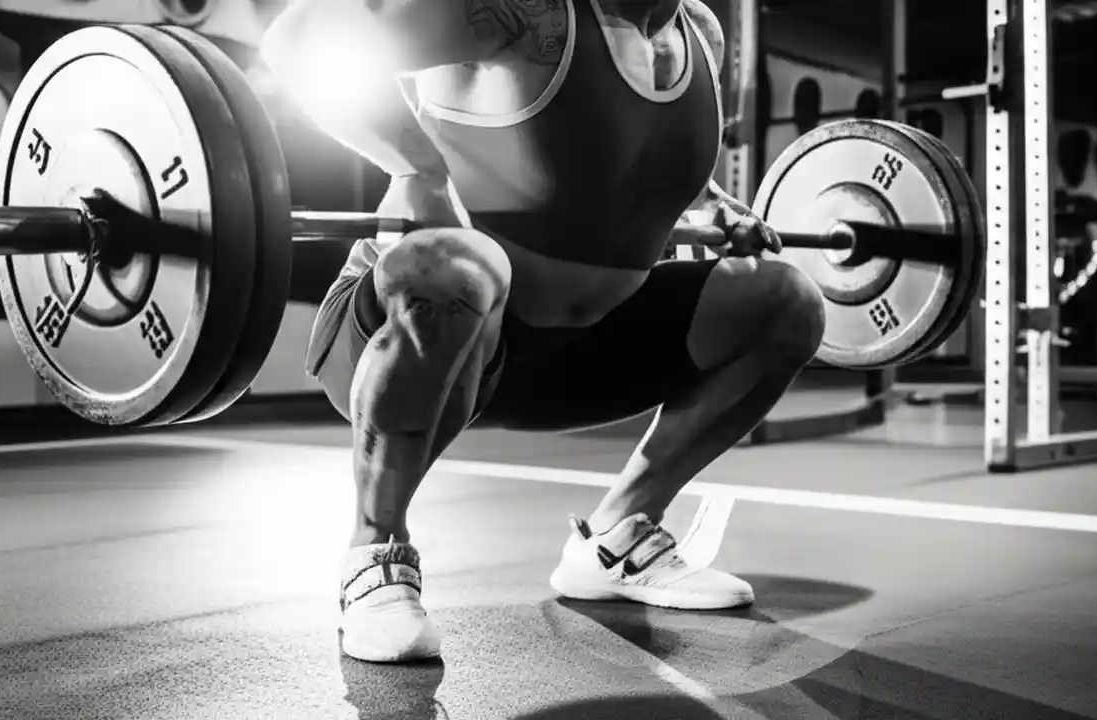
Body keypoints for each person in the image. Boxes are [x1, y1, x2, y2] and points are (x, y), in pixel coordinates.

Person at [261, 0, 826, 663]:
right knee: (460, 268)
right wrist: (417, 167)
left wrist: (712, 205)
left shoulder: (696, 30)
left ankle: (615, 541)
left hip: (575, 353)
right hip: (421, 332)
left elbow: (645, 159)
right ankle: (374, 551)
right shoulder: (522, 11)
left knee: (785, 301)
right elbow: (298, 38)